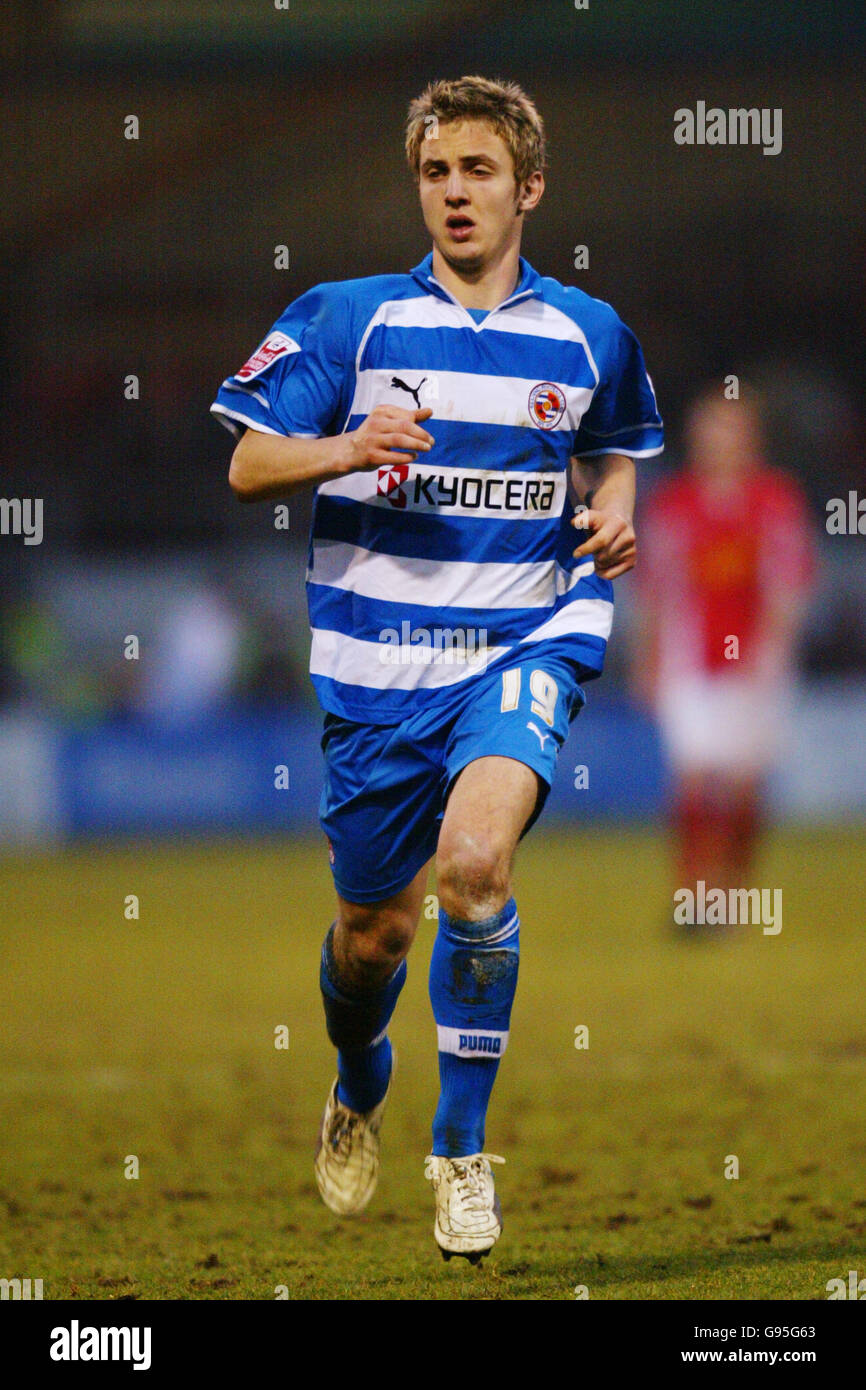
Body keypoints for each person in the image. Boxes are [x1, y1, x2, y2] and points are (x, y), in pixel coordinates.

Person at [211, 75, 663, 1262]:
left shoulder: (587, 332)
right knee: (374, 934)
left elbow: (611, 455)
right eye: (434, 172)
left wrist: (611, 520)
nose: (454, 192)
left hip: (525, 637)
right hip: (376, 672)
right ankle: (360, 1078)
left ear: (529, 188)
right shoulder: (344, 318)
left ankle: (460, 1153)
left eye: (477, 170)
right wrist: (347, 445)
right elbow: (251, 467)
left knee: (473, 867)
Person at [634, 385, 814, 923]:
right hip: (689, 659)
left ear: (750, 437)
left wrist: (774, 646)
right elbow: (654, 589)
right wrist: (648, 658)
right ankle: (692, 895)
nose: (717, 440)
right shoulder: (675, 502)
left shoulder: (775, 499)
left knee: (742, 785)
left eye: (729, 428)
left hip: (756, 662)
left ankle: (733, 890)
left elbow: (789, 581)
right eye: (709, 428)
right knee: (691, 777)